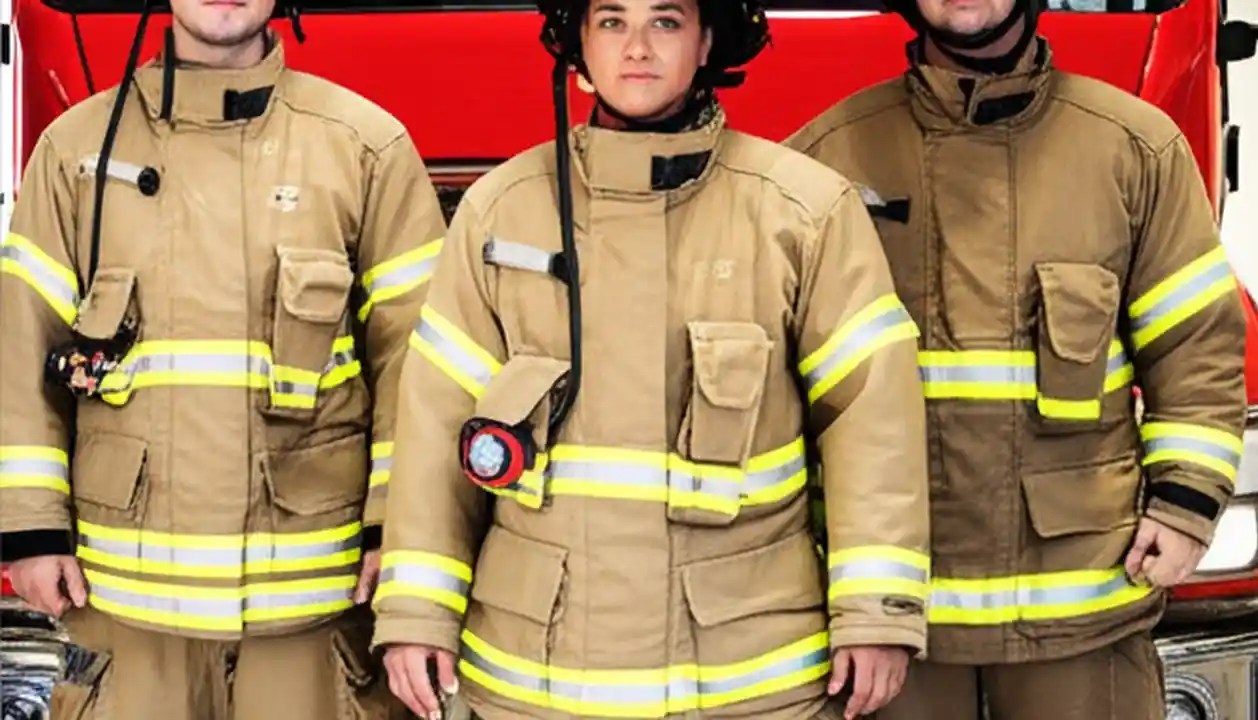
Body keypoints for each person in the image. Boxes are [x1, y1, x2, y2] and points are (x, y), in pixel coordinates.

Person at [370, 1, 932, 719]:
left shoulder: (802, 211)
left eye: (665, 21)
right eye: (611, 21)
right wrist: (417, 608)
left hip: (745, 680)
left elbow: (870, 417)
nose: (636, 48)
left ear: (707, 43)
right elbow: (434, 425)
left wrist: (877, 613)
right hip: (535, 679)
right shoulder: (500, 210)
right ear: (576, 43)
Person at [784, 0, 1248, 718]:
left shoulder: (1135, 149)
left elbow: (1196, 343)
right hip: (899, 624)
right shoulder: (825, 159)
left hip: (1083, 606)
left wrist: (1187, 502)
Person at [0, 1, 446, 718]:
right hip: (127, 607)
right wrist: (31, 527)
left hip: (313, 602)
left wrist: (401, 532)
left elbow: (419, 366)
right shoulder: (73, 152)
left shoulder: (366, 147)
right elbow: (21, 346)